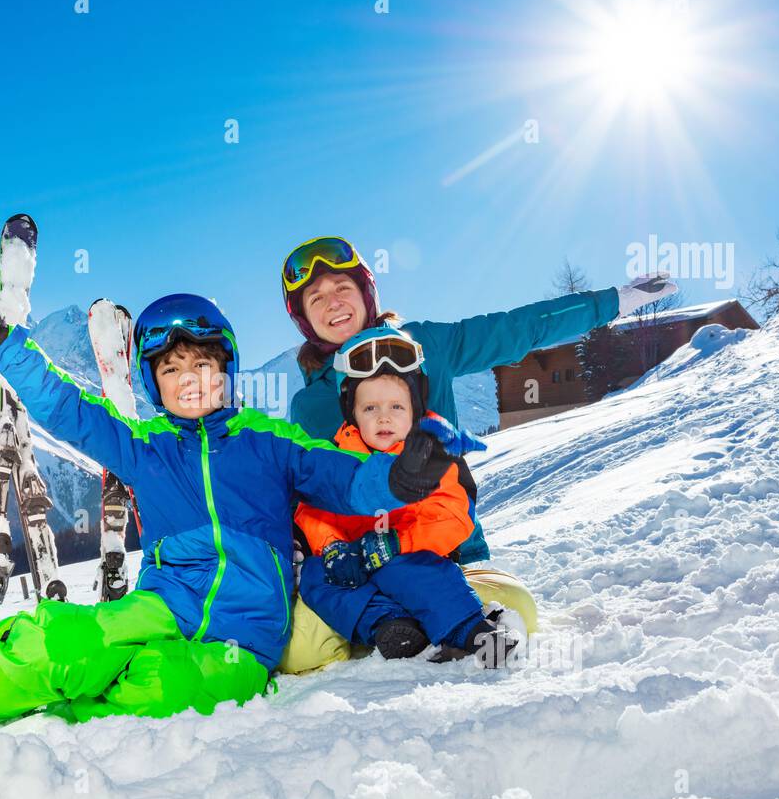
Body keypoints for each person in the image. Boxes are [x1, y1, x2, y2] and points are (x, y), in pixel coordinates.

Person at [0, 233, 470, 724]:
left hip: (243, 636)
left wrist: (402, 477)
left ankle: (67, 701)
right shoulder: (144, 448)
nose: (190, 380)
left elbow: (350, 483)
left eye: (202, 365)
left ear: (225, 369)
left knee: (166, 685)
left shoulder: (271, 443)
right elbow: (62, 406)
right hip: (159, 608)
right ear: (155, 385)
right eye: (172, 370)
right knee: (47, 642)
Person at [276, 236, 678, 673]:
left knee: (515, 606)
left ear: (366, 294)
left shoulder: (426, 344)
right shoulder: (309, 405)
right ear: (304, 319)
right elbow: (305, 494)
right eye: (316, 298)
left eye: (342, 288)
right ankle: (390, 625)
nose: (332, 303)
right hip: (356, 569)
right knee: (297, 652)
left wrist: (613, 302)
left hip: (440, 557)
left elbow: (517, 329)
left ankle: (432, 622)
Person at [294, 326, 534, 666]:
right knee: (319, 577)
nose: (384, 417)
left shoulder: (433, 454)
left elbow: (454, 515)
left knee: (415, 569)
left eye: (396, 406)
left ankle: (469, 629)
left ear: (416, 407)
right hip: (354, 565)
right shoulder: (336, 456)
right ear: (352, 412)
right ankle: (391, 628)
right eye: (370, 408)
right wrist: (333, 547)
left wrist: (398, 543)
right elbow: (313, 512)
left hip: (409, 558)